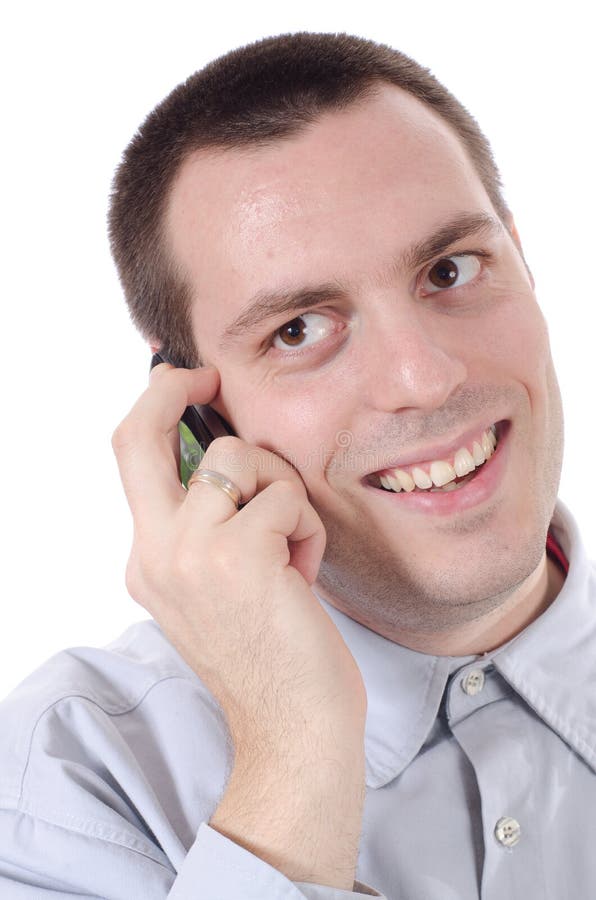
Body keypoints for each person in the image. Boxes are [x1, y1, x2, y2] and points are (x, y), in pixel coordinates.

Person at [0, 30, 592, 899]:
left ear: (524, 262)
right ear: (196, 413)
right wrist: (292, 754)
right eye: (298, 329)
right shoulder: (60, 783)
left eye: (449, 270)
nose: (424, 379)